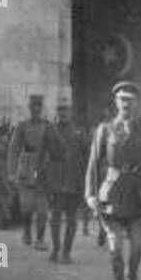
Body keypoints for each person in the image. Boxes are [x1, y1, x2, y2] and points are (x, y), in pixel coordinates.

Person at [87, 82, 141, 280]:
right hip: (111, 194)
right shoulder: (104, 129)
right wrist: (91, 194)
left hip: (137, 194)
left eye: (131, 100)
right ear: (116, 101)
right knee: (115, 249)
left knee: (136, 249)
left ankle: (132, 275)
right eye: (122, 99)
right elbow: (94, 164)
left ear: (136, 103)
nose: (126, 103)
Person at [7, 95, 61, 250]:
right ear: (30, 109)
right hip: (26, 169)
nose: (36, 109)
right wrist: (12, 171)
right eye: (33, 107)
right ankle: (26, 232)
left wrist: (55, 166)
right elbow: (14, 149)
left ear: (41, 108)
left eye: (38, 106)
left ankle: (40, 239)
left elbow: (58, 147)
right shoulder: (22, 126)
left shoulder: (49, 126)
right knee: (26, 206)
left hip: (44, 168)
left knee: (43, 208)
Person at [48, 99, 87, 263]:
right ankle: (56, 249)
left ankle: (66, 252)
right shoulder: (50, 131)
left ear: (70, 113)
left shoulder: (78, 132)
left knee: (72, 218)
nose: (63, 114)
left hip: (74, 180)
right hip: (55, 181)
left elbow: (87, 156)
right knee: (55, 218)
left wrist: (86, 181)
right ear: (57, 113)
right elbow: (43, 155)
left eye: (65, 110)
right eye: (60, 110)